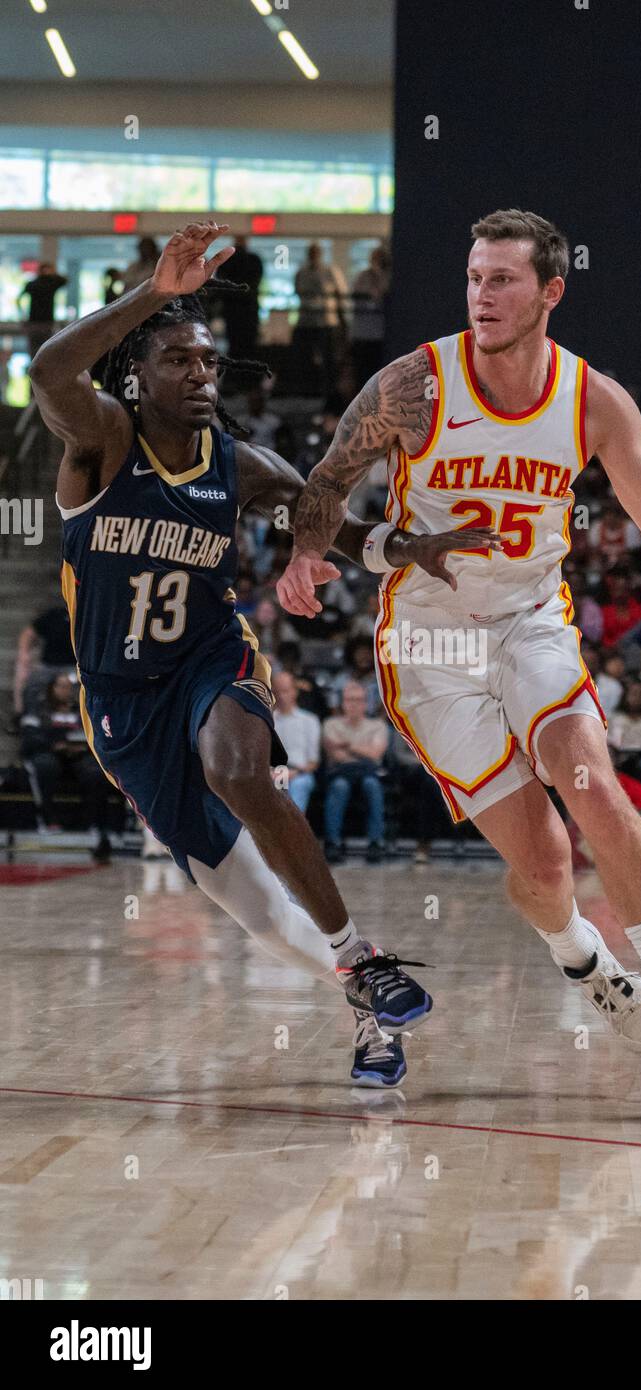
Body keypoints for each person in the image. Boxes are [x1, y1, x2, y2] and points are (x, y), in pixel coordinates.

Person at [277, 207, 641, 1099]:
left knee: (591, 778)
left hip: (531, 620)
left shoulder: (593, 400)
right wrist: (303, 553)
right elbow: (328, 478)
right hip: (429, 641)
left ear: (550, 291)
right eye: (476, 278)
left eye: (504, 279)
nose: (483, 295)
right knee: (548, 864)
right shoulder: (416, 385)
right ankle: (585, 962)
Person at [29, 221, 496, 1089]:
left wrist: (407, 550)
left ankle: (356, 950)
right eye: (179, 360)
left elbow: (331, 527)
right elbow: (50, 368)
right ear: (136, 376)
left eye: (209, 362)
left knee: (238, 769)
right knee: (257, 913)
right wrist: (155, 294)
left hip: (213, 658)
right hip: (123, 706)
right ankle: (363, 987)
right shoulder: (101, 443)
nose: (202, 375)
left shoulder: (239, 468)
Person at [20, 672, 112, 858]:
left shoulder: (79, 710)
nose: (65, 690)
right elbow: (29, 738)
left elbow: (95, 735)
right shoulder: (38, 709)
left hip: (77, 755)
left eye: (68, 687)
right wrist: (55, 745)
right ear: (51, 688)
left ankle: (92, 822)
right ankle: (47, 819)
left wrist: (80, 747)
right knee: (46, 766)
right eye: (61, 686)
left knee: (95, 772)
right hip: (48, 752)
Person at [322, 682, 389, 863]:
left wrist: (346, 745)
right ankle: (332, 843)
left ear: (366, 703)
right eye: (350, 700)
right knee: (339, 786)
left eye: (359, 700)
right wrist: (362, 750)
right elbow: (336, 755)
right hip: (340, 772)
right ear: (342, 703)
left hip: (369, 774)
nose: (354, 704)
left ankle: (376, 843)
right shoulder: (331, 724)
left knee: (372, 785)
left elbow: (376, 754)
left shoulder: (377, 725)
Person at [294, 243, 349, 397]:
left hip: (326, 322)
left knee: (328, 360)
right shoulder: (302, 272)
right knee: (305, 360)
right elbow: (298, 291)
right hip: (306, 322)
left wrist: (342, 320)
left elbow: (340, 294)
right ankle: (307, 390)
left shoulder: (330, 271)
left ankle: (329, 392)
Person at [271, 671, 320, 815]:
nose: (281, 696)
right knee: (275, 786)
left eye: (285, 691)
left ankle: (293, 833)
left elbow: (313, 762)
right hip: (274, 772)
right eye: (277, 691)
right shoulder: (267, 720)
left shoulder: (309, 720)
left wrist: (294, 772)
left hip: (301, 772)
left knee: (299, 785)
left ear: (295, 692)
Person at [14, 604, 76, 715]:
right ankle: (26, 716)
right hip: (48, 667)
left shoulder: (85, 616)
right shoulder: (54, 614)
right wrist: (24, 653)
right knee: (30, 682)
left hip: (74, 668)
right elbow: (29, 633)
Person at [349, 243, 390, 388]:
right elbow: (357, 296)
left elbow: (383, 294)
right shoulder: (362, 276)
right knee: (361, 373)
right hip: (362, 334)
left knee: (377, 373)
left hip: (379, 335)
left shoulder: (387, 277)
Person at [217, 235, 263, 362]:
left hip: (232, 310)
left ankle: (234, 376)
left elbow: (221, 285)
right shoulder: (254, 260)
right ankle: (249, 376)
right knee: (249, 346)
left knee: (234, 345)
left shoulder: (227, 262)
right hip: (249, 310)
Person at [18, 262, 68, 353]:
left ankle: (33, 365)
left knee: (35, 349)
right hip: (44, 321)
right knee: (46, 349)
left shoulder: (34, 284)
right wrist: (53, 272)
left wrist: (22, 315)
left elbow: (19, 299)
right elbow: (64, 280)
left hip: (36, 322)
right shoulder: (51, 284)